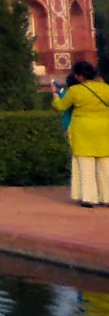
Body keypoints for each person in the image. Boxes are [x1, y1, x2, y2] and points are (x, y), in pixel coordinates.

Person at [52, 61, 109, 207]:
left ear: (79, 76)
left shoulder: (75, 90)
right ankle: (107, 197)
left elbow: (60, 106)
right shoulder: (106, 88)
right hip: (104, 129)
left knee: (86, 164)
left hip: (83, 130)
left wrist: (55, 94)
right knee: (105, 164)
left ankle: (89, 198)